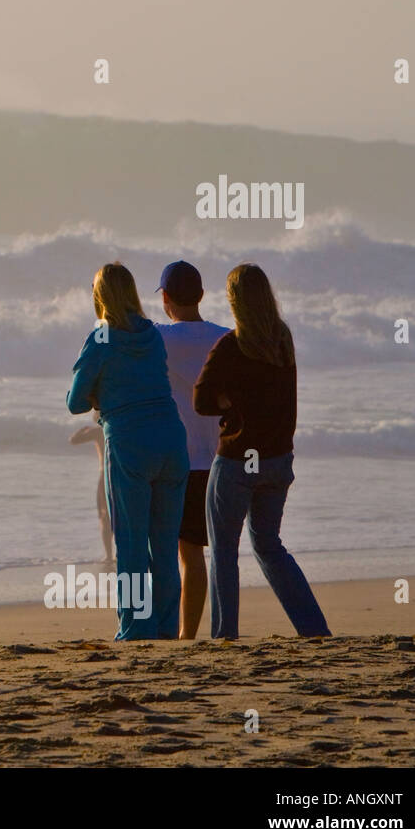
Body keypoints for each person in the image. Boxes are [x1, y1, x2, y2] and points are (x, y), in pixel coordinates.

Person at [193, 264, 331, 639]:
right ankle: (313, 629)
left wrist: (230, 405)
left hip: (239, 460)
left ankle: (225, 635)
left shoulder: (232, 345)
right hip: (277, 459)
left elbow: (201, 399)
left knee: (224, 549)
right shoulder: (282, 339)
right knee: (269, 545)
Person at [67, 262, 189, 640]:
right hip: (171, 440)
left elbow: (74, 402)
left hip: (130, 446)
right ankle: (168, 628)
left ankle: (136, 628)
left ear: (100, 296)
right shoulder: (152, 333)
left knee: (132, 544)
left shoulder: (102, 336)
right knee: (166, 544)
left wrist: (97, 394)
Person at [154, 261, 229, 639]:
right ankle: (218, 628)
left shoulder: (161, 338)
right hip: (224, 458)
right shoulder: (227, 336)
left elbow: (124, 326)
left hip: (182, 460)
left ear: (165, 298)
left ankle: (187, 635)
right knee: (218, 551)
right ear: (201, 295)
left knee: (188, 554)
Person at [69, 415, 113, 562]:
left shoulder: (97, 431)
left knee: (104, 516)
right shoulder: (119, 427)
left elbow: (73, 440)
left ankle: (108, 554)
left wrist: (82, 430)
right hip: (121, 473)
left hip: (105, 475)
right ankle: (118, 552)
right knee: (119, 515)